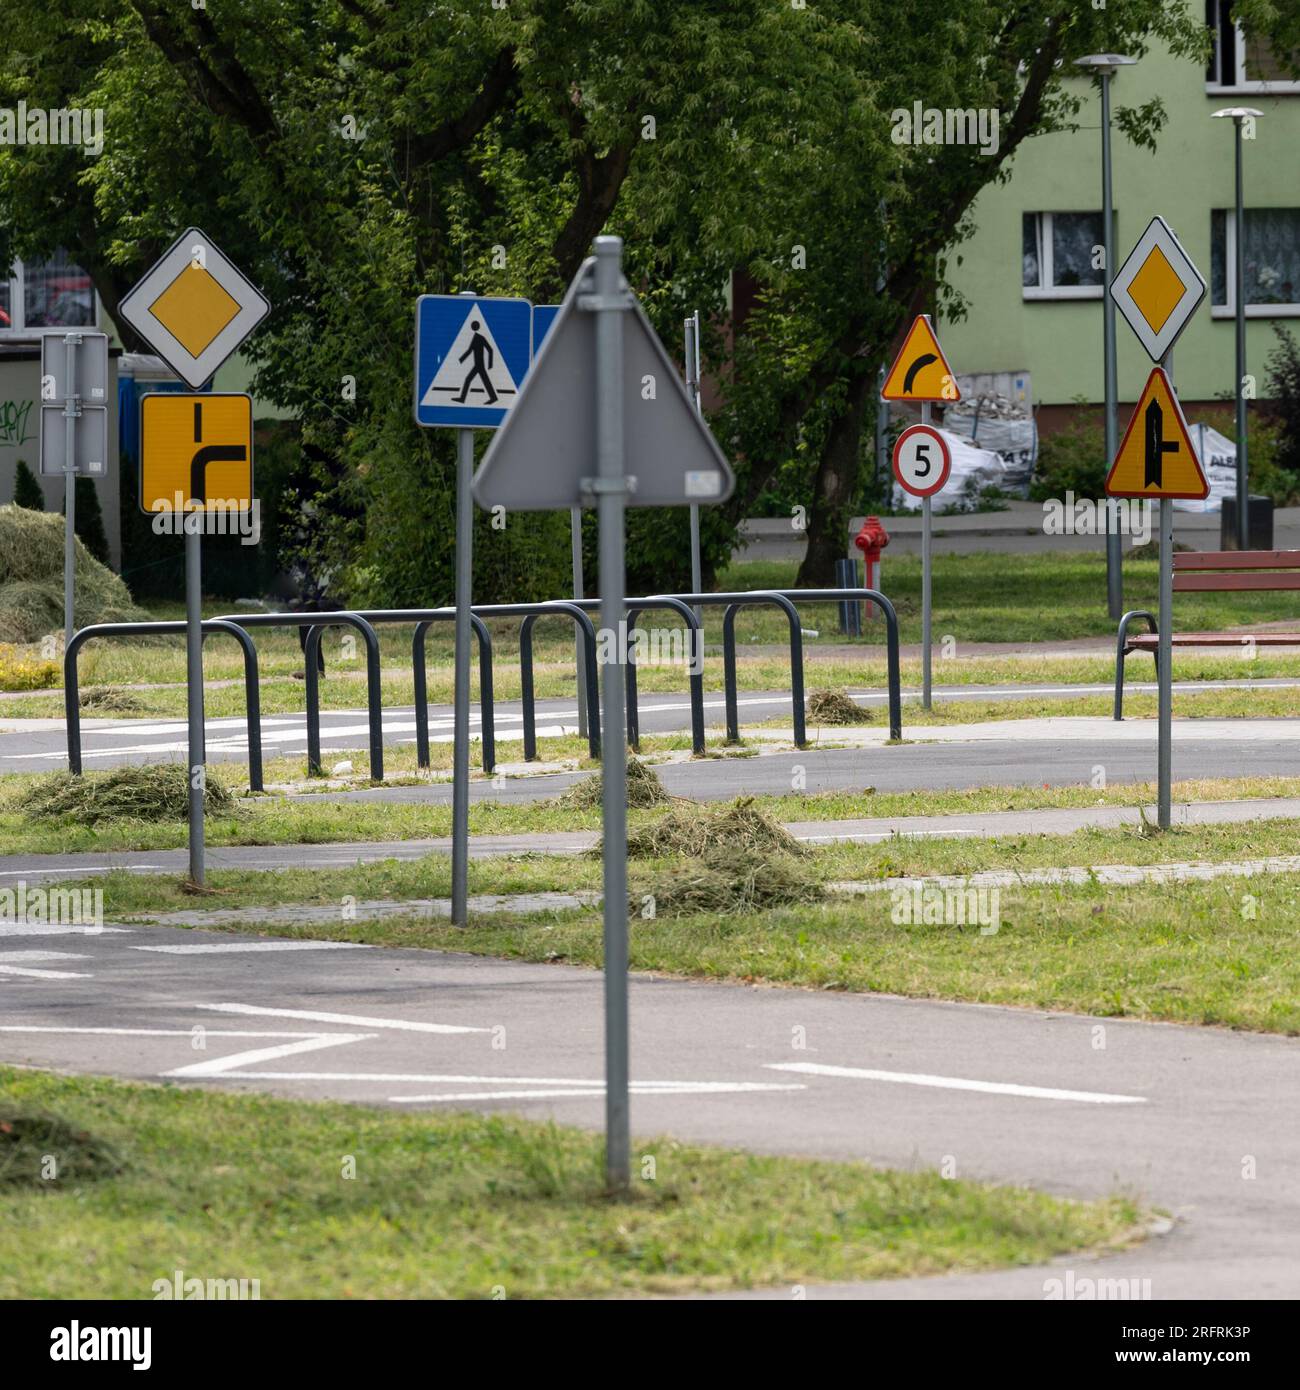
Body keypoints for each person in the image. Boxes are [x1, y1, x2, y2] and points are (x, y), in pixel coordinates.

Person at [454, 321, 497, 404]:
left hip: (479, 364)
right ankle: (462, 398)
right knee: (475, 380)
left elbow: (490, 350)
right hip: (477, 364)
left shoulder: (480, 338)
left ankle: (463, 398)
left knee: (473, 380)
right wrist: (461, 359)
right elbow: (470, 350)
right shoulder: (475, 337)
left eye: (473, 325)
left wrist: (490, 364)